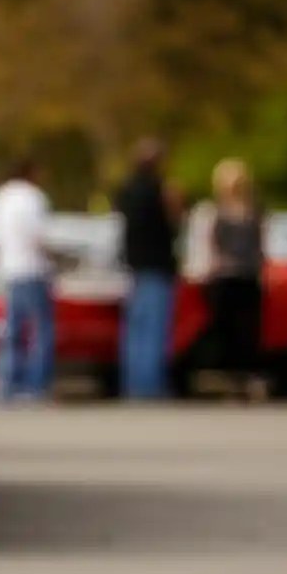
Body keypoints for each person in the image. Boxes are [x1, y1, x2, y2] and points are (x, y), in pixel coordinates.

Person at [116, 138, 181, 399]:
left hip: (134, 266)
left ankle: (133, 383)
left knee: (135, 330)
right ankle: (150, 385)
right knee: (154, 330)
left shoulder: (126, 190)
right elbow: (171, 228)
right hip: (157, 266)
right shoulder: (159, 191)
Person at [0, 159, 56, 402]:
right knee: (41, 330)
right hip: (32, 268)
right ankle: (36, 385)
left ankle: (7, 383)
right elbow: (39, 236)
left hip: (9, 269)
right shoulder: (33, 198)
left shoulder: (0, 197)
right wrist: (53, 261)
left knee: (12, 329)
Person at [204, 159, 267, 401]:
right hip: (225, 276)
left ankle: (247, 379)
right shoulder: (217, 212)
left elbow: (260, 244)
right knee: (227, 331)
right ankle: (231, 381)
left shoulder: (254, 211)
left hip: (248, 275)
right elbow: (213, 244)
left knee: (248, 331)